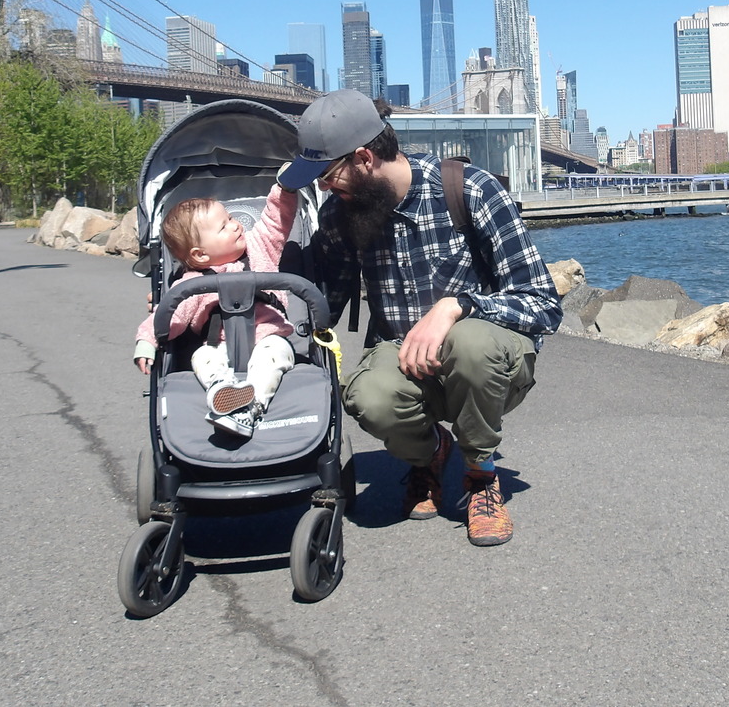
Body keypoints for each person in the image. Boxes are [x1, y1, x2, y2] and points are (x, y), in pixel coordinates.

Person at [278, 90, 561, 547]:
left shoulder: (470, 189)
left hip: (488, 367)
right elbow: (321, 303)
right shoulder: (342, 213)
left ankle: (481, 477)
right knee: (368, 394)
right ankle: (431, 453)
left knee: (470, 342)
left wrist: (456, 307)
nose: (325, 189)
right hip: (404, 360)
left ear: (365, 158)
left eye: (328, 177)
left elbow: (544, 303)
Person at [133, 184, 299, 438]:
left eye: (231, 218)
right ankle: (221, 387)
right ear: (199, 255)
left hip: (268, 337)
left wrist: (284, 191)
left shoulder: (259, 248)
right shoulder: (190, 284)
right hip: (220, 347)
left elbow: (276, 220)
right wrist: (147, 339)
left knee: (272, 357)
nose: (235, 225)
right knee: (201, 357)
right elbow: (169, 315)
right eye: (224, 226)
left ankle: (249, 407)